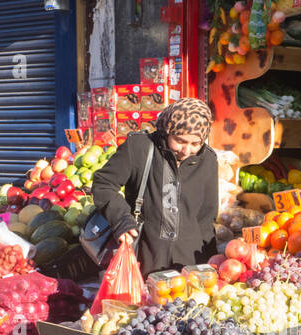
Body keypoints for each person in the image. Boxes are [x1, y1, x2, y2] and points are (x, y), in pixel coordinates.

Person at [90, 97, 219, 277]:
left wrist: (211, 260)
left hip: (189, 263)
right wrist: (121, 220)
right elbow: (104, 183)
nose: (186, 150)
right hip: (145, 256)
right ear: (167, 130)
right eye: (180, 140)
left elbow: (206, 218)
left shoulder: (208, 160)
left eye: (195, 143)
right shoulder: (140, 148)